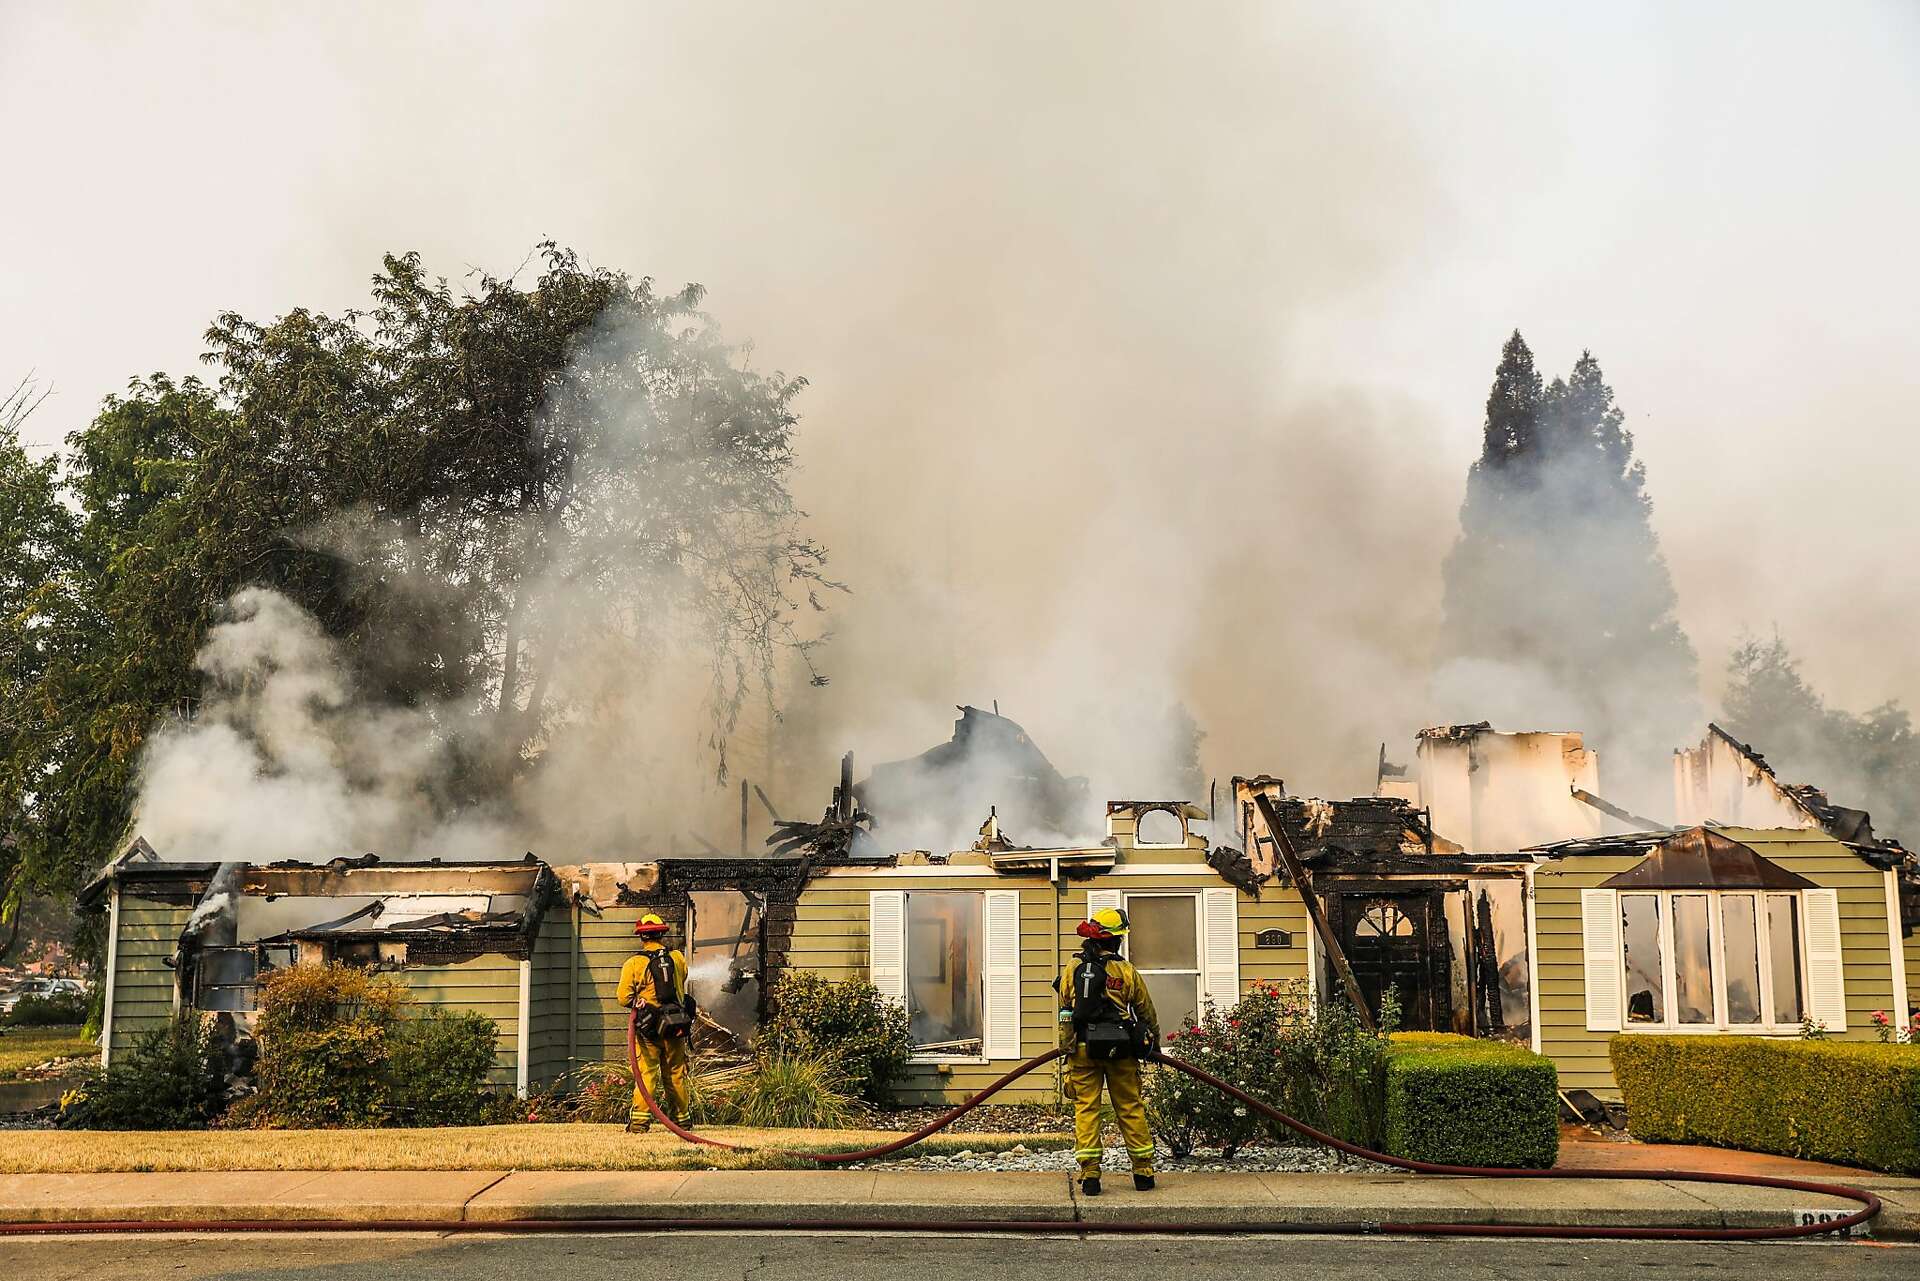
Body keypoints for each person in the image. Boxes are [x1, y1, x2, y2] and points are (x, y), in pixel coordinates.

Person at [1054, 906, 1159, 1195]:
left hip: (1084, 1050)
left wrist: (1068, 1048)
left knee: (1086, 1108)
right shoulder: (1125, 971)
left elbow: (1065, 1010)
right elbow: (1145, 1011)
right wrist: (1155, 1043)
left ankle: (1090, 1177)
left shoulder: (1073, 968)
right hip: (1121, 1050)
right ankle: (1143, 1173)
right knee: (1129, 1107)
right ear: (1115, 940)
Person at [616, 912, 696, 1132]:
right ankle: (682, 1121)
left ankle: (640, 1123)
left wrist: (639, 1000)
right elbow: (682, 978)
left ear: (642, 937)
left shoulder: (634, 963)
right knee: (676, 1073)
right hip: (676, 1026)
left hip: (649, 1030)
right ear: (662, 934)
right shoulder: (677, 958)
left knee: (647, 1073)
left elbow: (623, 997)